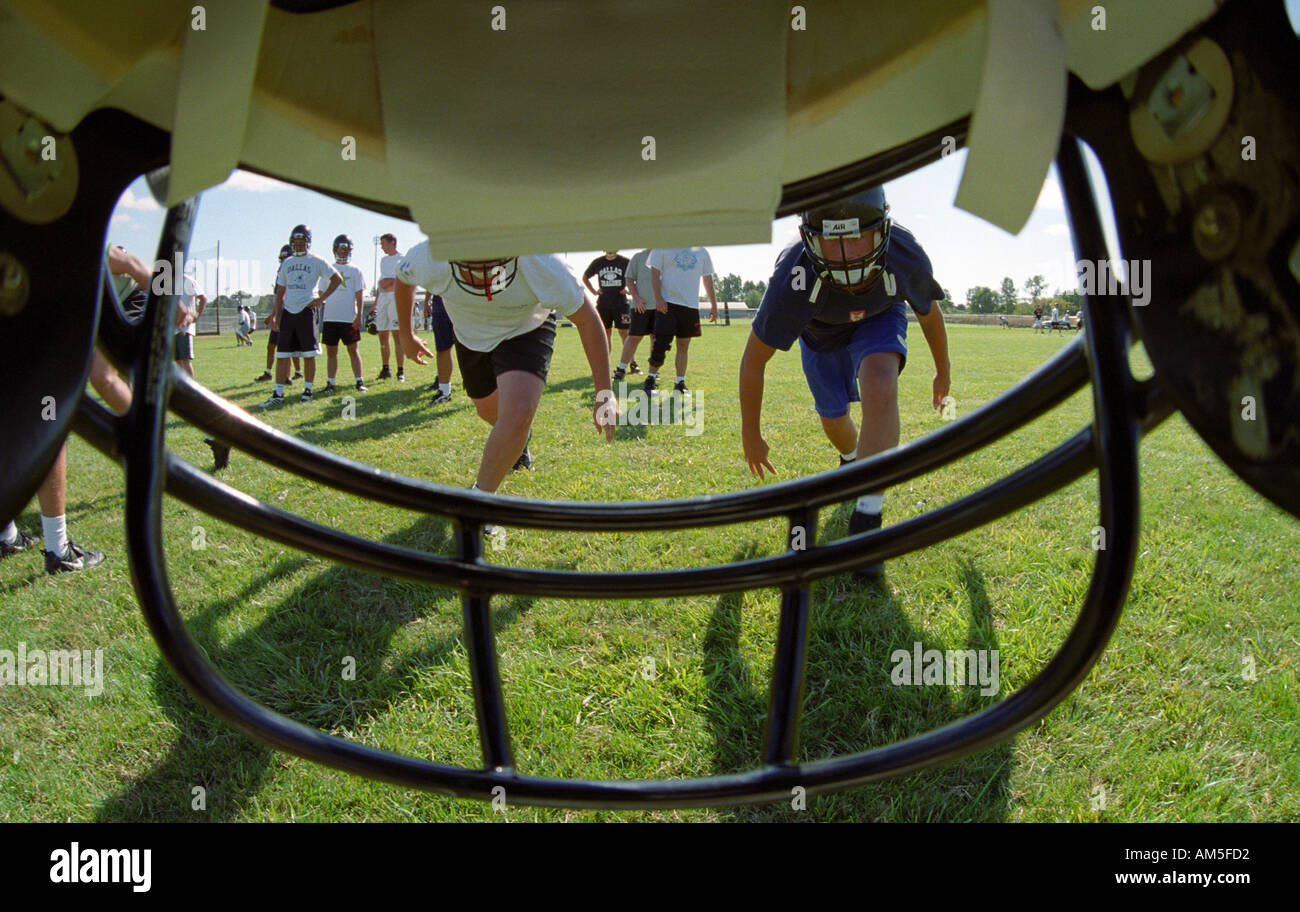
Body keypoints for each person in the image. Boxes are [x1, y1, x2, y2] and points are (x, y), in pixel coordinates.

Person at [738, 187, 951, 577]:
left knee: (880, 381)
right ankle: (852, 458)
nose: (847, 253)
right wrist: (750, 430)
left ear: (881, 231)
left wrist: (943, 369)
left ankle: (867, 517)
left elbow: (929, 313)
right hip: (819, 334)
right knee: (834, 421)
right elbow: (754, 359)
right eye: (832, 240)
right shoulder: (794, 274)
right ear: (810, 240)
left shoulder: (904, 253)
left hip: (879, 317)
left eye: (856, 236)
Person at [394, 249, 617, 492]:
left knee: (518, 413)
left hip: (526, 328)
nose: (482, 274)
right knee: (489, 411)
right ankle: (520, 440)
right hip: (470, 336)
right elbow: (404, 278)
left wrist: (604, 392)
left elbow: (587, 319)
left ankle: (480, 500)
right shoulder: (430, 254)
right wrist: (406, 335)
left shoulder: (542, 261)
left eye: (489, 263)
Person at [260, 225, 341, 407]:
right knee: (282, 354)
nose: (298, 245)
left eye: (301, 241)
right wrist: (275, 315)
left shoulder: (316, 260)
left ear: (308, 242)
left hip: (306, 311)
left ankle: (308, 391)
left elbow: (337, 279)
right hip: (288, 312)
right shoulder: (287, 263)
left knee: (309, 353)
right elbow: (280, 291)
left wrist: (320, 299)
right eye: (295, 242)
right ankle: (278, 393)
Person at [644, 247, 717, 393]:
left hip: (690, 305)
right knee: (660, 345)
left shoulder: (702, 251)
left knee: (683, 346)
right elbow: (654, 272)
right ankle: (650, 380)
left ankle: (680, 383)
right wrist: (658, 298)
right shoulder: (663, 246)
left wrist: (713, 304)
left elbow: (707, 279)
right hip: (667, 303)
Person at [320, 234, 369, 393]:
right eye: (340, 249)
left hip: (348, 318)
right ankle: (331, 383)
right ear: (335, 250)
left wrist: (358, 316)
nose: (343, 252)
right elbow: (321, 293)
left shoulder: (355, 270)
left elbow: (359, 295)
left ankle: (359, 381)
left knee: (353, 351)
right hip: (330, 318)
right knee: (331, 353)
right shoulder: (328, 269)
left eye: (346, 249)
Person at [256, 245, 302, 382]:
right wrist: (273, 315)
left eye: (286, 258)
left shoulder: (294, 273)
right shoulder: (281, 273)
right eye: (282, 258)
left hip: (288, 314)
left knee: (287, 347)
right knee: (272, 345)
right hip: (280, 314)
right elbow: (278, 297)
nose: (284, 261)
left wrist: (273, 315)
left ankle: (289, 375)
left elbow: (285, 297)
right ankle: (269, 372)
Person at [583, 250, 631, 369]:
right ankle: (606, 365)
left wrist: (629, 290)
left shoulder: (625, 262)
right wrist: (594, 291)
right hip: (603, 305)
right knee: (605, 333)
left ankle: (631, 363)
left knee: (625, 333)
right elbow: (585, 277)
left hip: (621, 305)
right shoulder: (598, 262)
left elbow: (637, 276)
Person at [371, 232, 406, 381]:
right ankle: (385, 369)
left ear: (392, 243)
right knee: (382, 335)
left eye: (383, 243)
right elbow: (381, 282)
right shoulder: (383, 261)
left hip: (395, 299)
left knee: (397, 335)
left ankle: (400, 371)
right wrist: (375, 303)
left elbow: (402, 281)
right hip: (383, 299)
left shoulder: (402, 259)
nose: (382, 247)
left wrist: (390, 281)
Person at [613, 248, 651, 380]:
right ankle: (621, 369)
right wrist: (637, 299)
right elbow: (629, 279)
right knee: (633, 337)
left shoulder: (665, 255)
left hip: (659, 306)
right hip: (640, 306)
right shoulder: (638, 257)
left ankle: (653, 372)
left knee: (655, 338)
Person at [423, 290, 456, 405]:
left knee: (468, 347)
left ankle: (472, 383)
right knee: (442, 348)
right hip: (440, 303)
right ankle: (444, 391)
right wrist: (426, 301)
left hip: (462, 302)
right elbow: (430, 279)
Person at [172, 266, 206, 377]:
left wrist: (196, 315)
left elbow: (203, 298)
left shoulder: (187, 280)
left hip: (184, 328)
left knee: (184, 360)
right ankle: (182, 384)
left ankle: (190, 385)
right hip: (172, 328)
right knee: (178, 360)